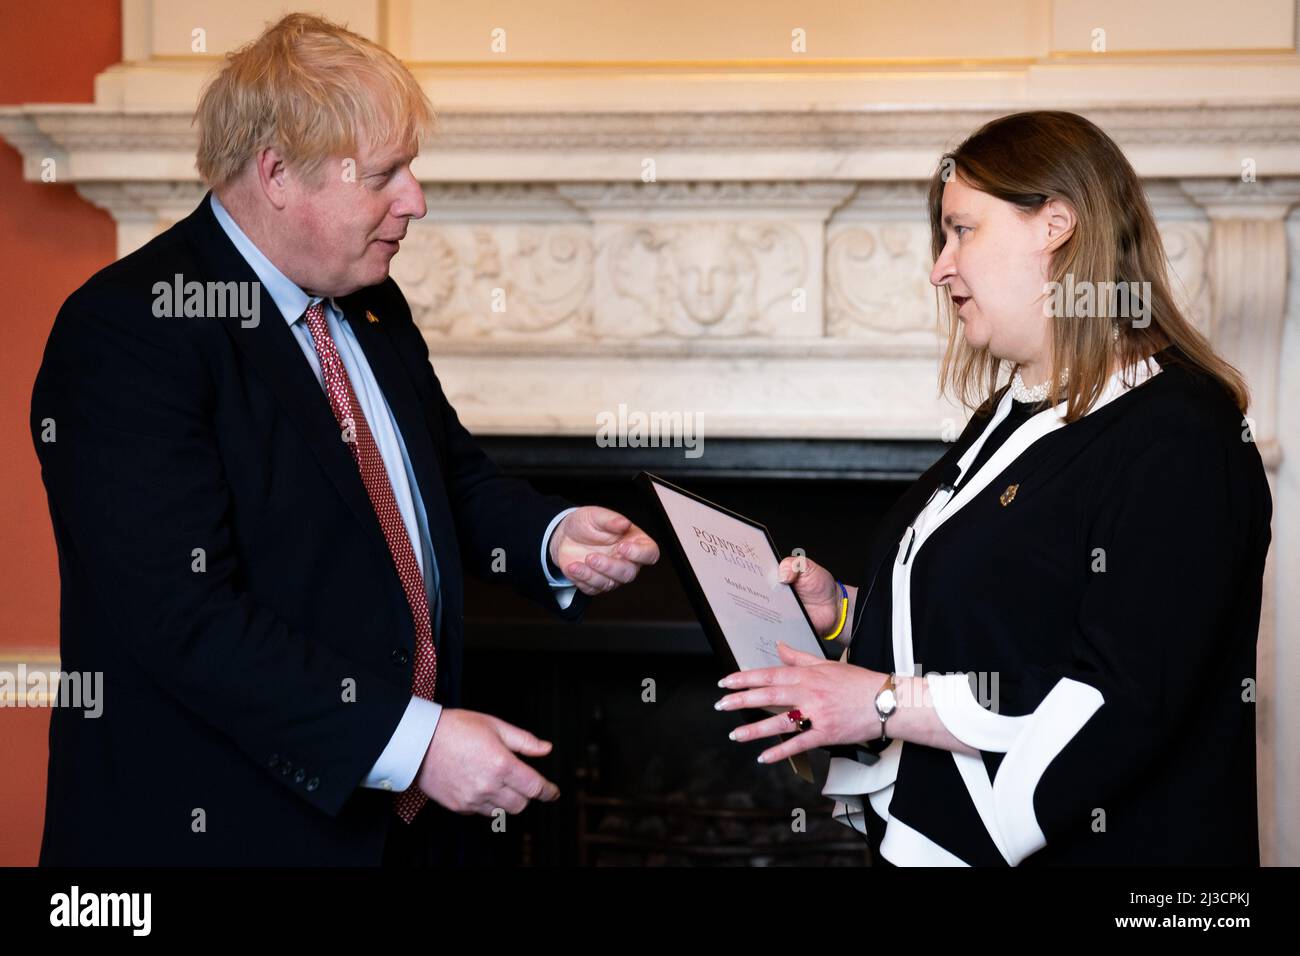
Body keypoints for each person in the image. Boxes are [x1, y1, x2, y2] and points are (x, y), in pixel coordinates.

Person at [30, 13, 658, 866]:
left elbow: (449, 480)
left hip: (391, 835)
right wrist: (421, 746)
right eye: (386, 175)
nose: (417, 200)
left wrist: (549, 540)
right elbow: (186, 619)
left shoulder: (369, 299)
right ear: (278, 173)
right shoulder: (130, 330)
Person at [713, 110, 1271, 866]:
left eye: (961, 231)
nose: (940, 268)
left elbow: (1118, 695)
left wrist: (880, 704)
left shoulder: (1180, 435)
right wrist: (845, 613)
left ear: (1055, 224)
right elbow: (1003, 612)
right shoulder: (1008, 418)